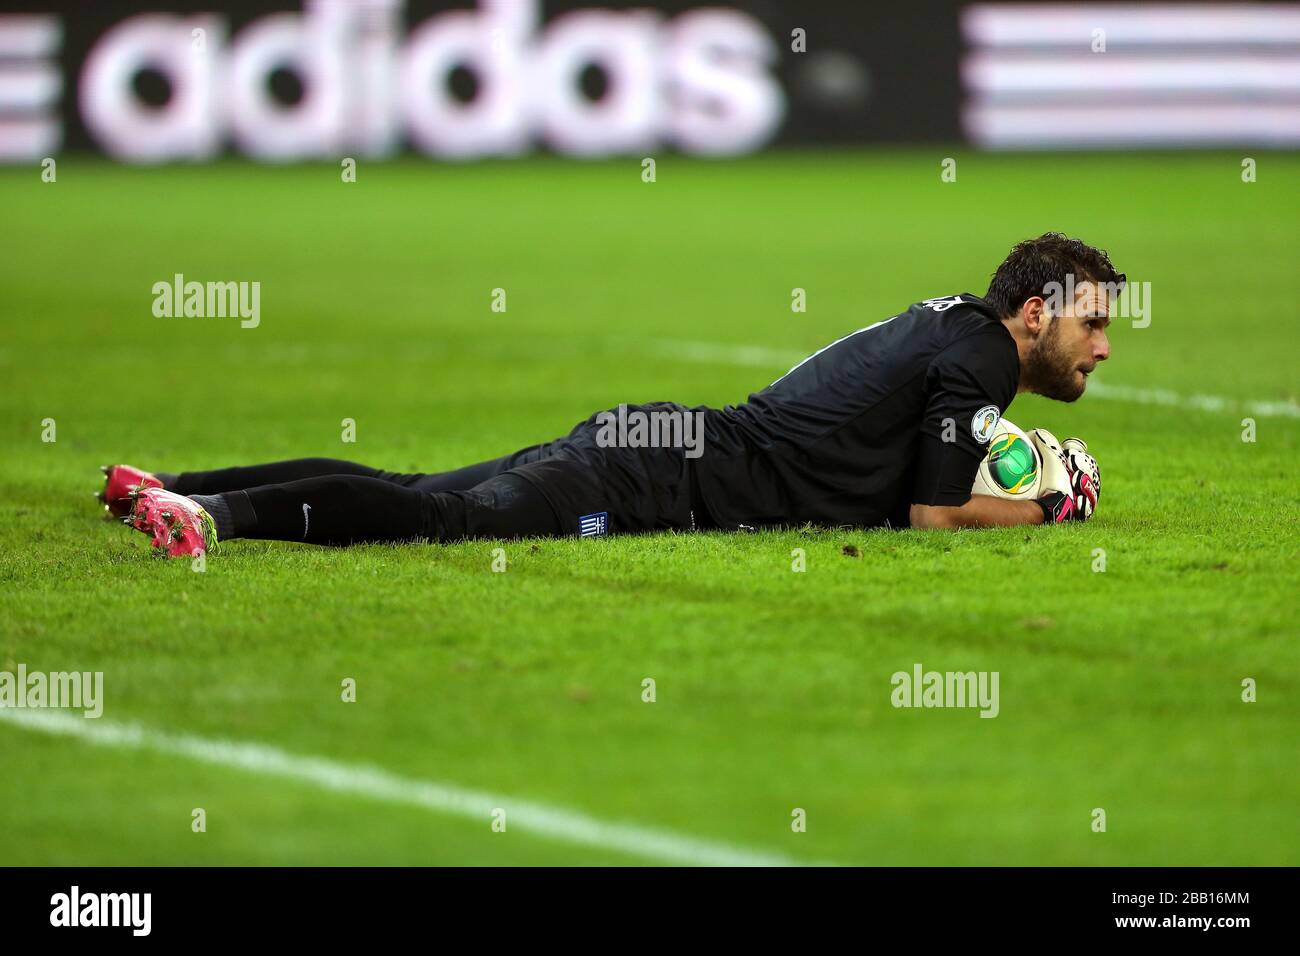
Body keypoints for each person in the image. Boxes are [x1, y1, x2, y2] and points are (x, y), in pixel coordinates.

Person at [103, 233, 1117, 558]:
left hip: (662, 435)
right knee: (443, 517)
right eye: (1092, 322)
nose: (1102, 347)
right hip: (654, 476)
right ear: (1035, 312)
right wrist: (1044, 506)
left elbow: (908, 468)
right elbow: (931, 514)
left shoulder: (954, 329)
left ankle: (166, 481)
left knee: (416, 482)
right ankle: (208, 512)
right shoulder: (982, 353)